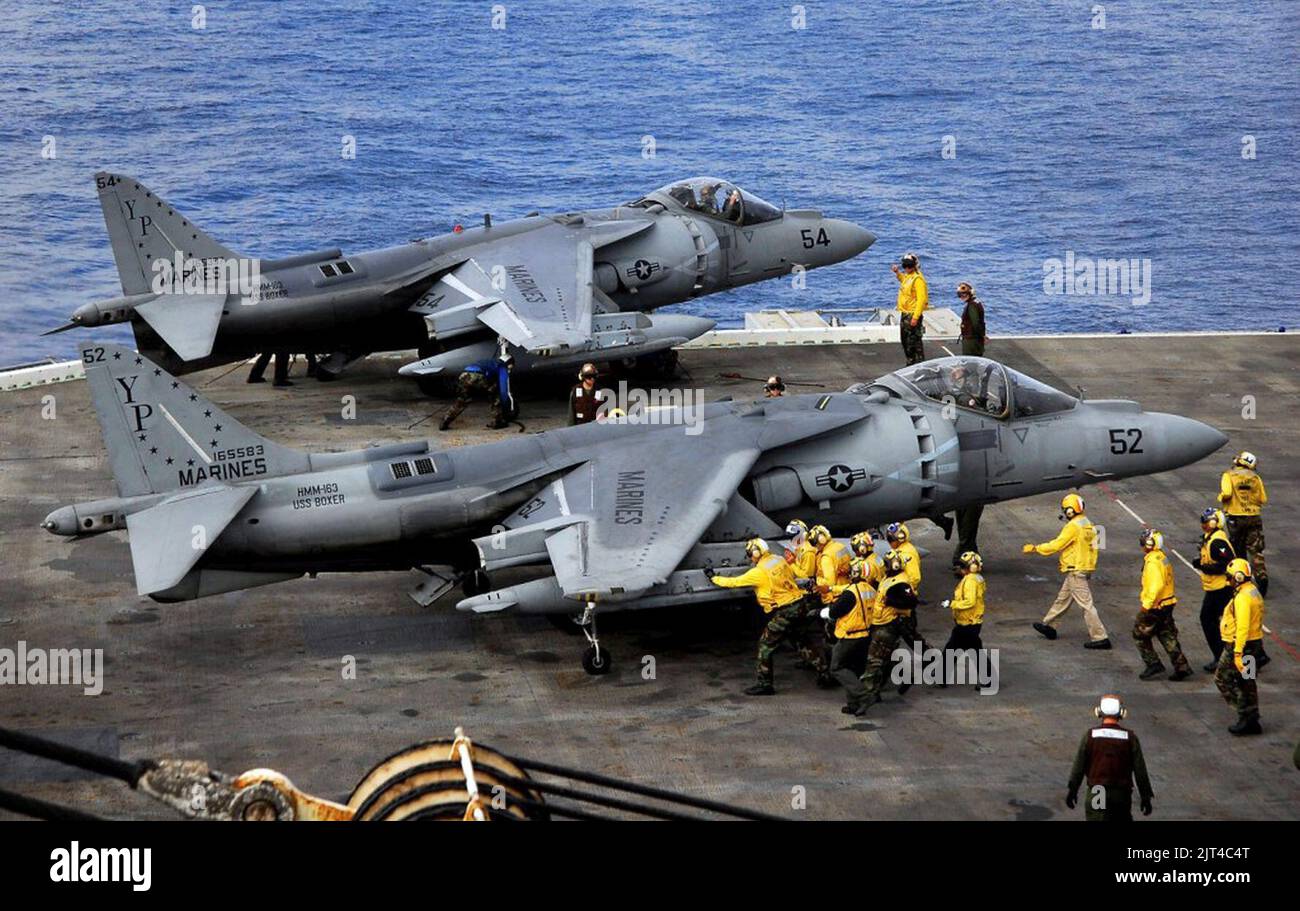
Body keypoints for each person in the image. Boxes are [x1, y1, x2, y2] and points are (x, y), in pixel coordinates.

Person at [711, 538, 824, 696]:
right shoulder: (778, 559)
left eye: (750, 554)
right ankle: (825, 673)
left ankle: (765, 684)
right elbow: (792, 573)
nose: (750, 557)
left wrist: (714, 578)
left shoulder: (758, 572)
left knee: (765, 645)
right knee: (799, 639)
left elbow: (734, 582)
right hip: (800, 605)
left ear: (756, 553)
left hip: (785, 611)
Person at [1028, 493, 1111, 648]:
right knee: (1063, 599)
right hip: (1084, 568)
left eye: (1066, 509)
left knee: (1086, 605)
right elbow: (1094, 549)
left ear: (1070, 510)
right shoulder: (1088, 524)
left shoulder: (1073, 526)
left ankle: (1100, 637)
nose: (1065, 512)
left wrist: (1035, 548)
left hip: (1075, 569)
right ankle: (1050, 626)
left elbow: (1057, 545)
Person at [1066, 695, 1154, 821]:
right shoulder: (1130, 738)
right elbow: (1140, 770)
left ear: (1099, 712)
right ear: (1121, 713)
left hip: (1098, 790)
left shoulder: (1090, 736)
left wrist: (1072, 790)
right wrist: (1146, 796)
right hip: (1121, 793)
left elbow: (1078, 766)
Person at [855, 550, 919, 715]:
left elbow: (911, 601)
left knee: (873, 663)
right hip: (880, 624)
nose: (885, 565)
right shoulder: (888, 578)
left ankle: (866, 698)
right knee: (885, 660)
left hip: (887, 627)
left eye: (888, 563)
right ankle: (901, 678)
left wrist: (889, 602)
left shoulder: (900, 583)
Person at [1213, 559, 1266, 735]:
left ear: (1238, 577)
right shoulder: (1253, 591)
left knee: (1222, 678)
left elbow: (1242, 627)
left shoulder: (1242, 598)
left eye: (1230, 578)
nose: (1228, 581)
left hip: (1241, 646)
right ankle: (1252, 717)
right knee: (1248, 682)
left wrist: (1237, 652)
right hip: (1254, 644)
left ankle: (1245, 714)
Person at [1132, 529, 1192, 681]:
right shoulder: (1162, 557)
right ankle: (1181, 666)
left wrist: (1146, 605)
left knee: (1139, 634)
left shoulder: (1152, 562)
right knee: (1167, 635)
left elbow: (1156, 585)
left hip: (1155, 606)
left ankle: (1153, 663)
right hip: (1167, 603)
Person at [820, 560, 876, 714]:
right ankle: (854, 704)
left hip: (850, 636)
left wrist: (824, 612)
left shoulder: (851, 592)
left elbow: (835, 611)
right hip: (865, 635)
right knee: (853, 670)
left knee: (837, 667)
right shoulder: (870, 589)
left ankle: (864, 697)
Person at [1219, 451, 1268, 597]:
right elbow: (1263, 498)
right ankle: (1262, 578)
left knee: (1237, 550)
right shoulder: (1255, 477)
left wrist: (1221, 497)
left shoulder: (1229, 475)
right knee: (1256, 550)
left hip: (1236, 517)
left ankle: (1240, 578)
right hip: (1253, 516)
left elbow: (1226, 493)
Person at [1192, 508, 1236, 671]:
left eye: (1206, 521)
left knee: (1209, 620)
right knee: (1224, 622)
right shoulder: (1210, 539)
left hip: (1221, 589)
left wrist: (1204, 567)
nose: (1203, 525)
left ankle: (1221, 657)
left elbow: (1228, 564)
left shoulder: (1217, 542)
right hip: (1214, 588)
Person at [440, 352, 515, 431]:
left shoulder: (490, 361)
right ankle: (498, 422)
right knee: (496, 397)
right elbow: (503, 388)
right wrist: (505, 402)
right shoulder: (501, 366)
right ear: (508, 362)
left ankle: (445, 421)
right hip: (478, 375)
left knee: (462, 401)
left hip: (464, 375)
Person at [941, 551, 985, 657]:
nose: (960, 569)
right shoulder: (972, 578)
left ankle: (940, 673)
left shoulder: (970, 581)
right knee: (975, 652)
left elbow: (970, 602)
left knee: (951, 650)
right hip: (969, 623)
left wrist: (952, 604)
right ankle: (988, 673)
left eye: (963, 566)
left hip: (968, 623)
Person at [892, 252, 928, 365]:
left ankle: (918, 365)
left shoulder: (918, 280)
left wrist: (915, 317)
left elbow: (921, 300)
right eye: (905, 266)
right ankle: (910, 363)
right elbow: (904, 281)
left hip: (912, 314)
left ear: (914, 265)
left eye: (909, 266)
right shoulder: (909, 277)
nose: (906, 268)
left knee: (914, 343)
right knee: (905, 342)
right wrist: (897, 273)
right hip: (905, 313)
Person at [957, 282, 986, 357]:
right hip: (975, 339)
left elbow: (975, 323)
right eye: (960, 294)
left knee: (968, 362)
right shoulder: (976, 303)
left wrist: (982, 336)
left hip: (971, 340)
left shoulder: (972, 306)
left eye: (964, 294)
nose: (962, 296)